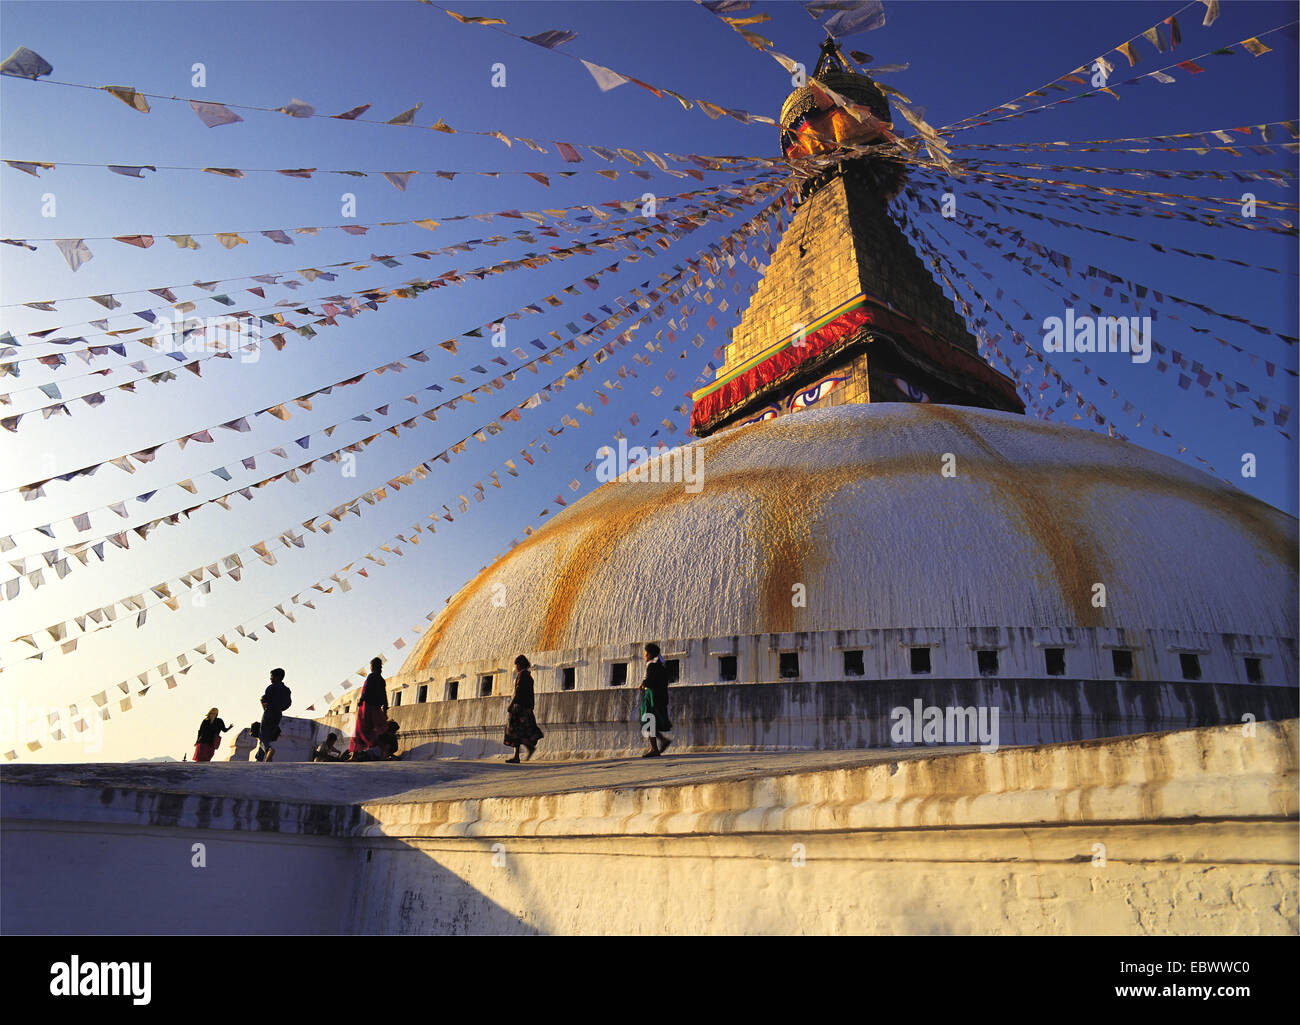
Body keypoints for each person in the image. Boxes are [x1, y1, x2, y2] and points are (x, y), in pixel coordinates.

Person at [503, 655, 543, 763]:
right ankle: (523, 751)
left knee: (514, 730)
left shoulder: (522, 675)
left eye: (515, 665)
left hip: (519, 707)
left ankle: (520, 754)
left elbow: (518, 690)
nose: (515, 668)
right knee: (520, 731)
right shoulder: (528, 676)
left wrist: (511, 704)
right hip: (526, 707)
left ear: (519, 665)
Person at [349, 657, 389, 756]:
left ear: (372, 666)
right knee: (377, 731)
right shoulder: (381, 680)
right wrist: (385, 709)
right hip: (376, 709)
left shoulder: (371, 676)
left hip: (366, 708)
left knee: (359, 731)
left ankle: (355, 755)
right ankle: (383, 752)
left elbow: (367, 690)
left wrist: (361, 700)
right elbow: (384, 695)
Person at [640, 643, 673, 757]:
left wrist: (643, 685)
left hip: (652, 697)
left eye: (645, 654)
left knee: (648, 721)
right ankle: (661, 742)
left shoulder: (652, 665)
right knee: (651, 723)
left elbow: (649, 681)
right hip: (660, 697)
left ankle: (655, 748)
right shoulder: (661, 665)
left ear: (649, 655)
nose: (644, 657)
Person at [254, 668, 292, 762]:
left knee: (263, 736)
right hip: (278, 714)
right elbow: (288, 703)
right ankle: (259, 758)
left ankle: (268, 750)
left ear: (277, 677)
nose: (270, 678)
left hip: (269, 712)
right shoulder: (286, 690)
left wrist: (264, 703)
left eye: (272, 676)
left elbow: (265, 700)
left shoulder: (272, 687)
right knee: (268, 736)